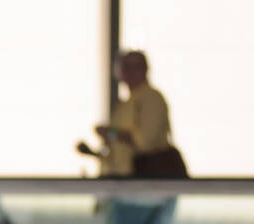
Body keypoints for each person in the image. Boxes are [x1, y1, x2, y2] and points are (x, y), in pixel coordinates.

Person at [78, 50, 185, 179]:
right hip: (120, 180)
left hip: (142, 183)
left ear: (146, 69)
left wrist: (110, 133)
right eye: (125, 66)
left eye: (136, 66)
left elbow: (144, 142)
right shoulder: (126, 103)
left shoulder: (151, 97)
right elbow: (119, 150)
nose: (130, 71)